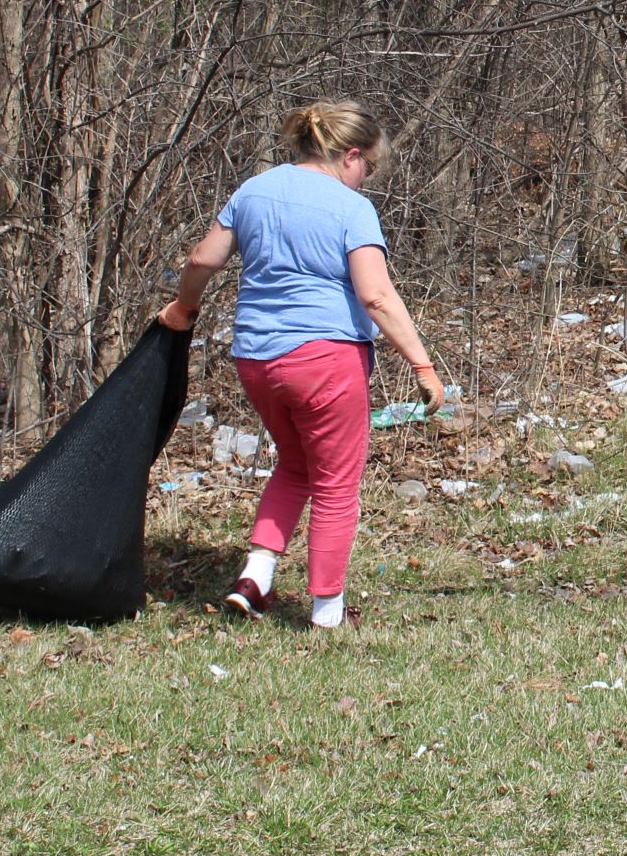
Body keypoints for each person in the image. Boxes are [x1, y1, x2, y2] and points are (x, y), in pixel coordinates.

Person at [158, 101, 445, 628]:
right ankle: (327, 612)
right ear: (350, 156)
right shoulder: (351, 208)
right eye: (368, 167)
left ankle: (256, 576)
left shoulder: (254, 191)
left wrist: (183, 309)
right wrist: (422, 366)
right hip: (326, 360)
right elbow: (376, 295)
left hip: (257, 359)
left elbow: (202, 260)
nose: (365, 178)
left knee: (295, 464)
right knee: (336, 484)